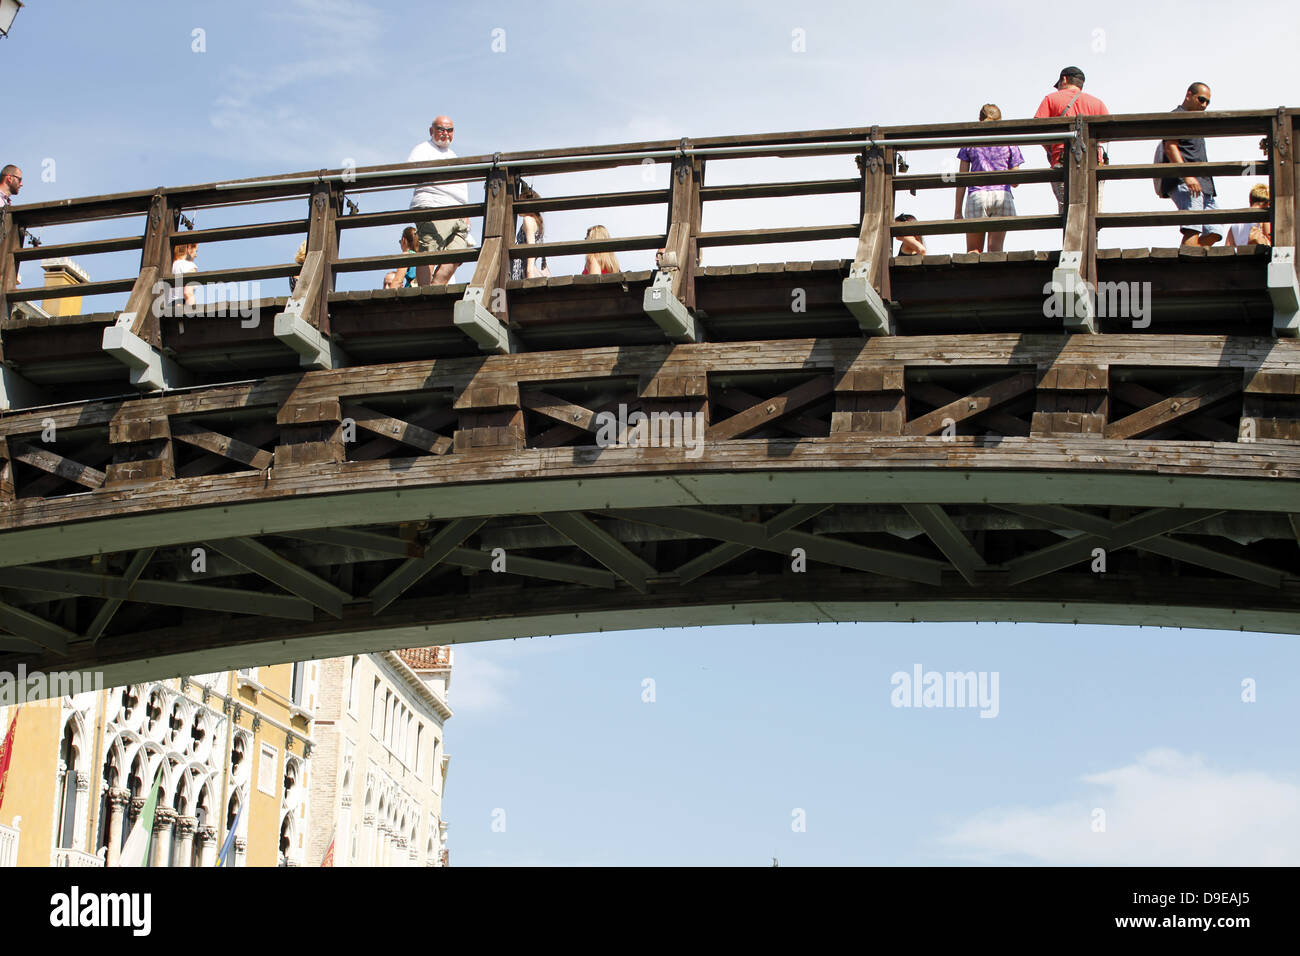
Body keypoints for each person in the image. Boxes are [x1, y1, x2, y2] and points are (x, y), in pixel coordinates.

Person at [407, 115, 475, 285]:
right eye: (441, 129)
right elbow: (409, 172)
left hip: (457, 211)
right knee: (429, 251)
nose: (445, 133)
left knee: (457, 252)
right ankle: (425, 292)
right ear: (431, 131)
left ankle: (435, 289)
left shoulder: (453, 155)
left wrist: (465, 212)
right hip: (433, 205)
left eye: (449, 130)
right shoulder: (422, 149)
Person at [1033, 67, 1109, 210]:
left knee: (1066, 211)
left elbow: (1037, 130)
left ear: (1064, 79)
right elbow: (1106, 137)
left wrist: (1049, 149)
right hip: (1093, 162)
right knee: (1094, 211)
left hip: (1061, 160)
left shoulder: (1051, 99)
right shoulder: (1096, 102)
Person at [1156, 83, 1221, 247]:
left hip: (1204, 183)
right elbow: (1170, 147)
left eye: (1208, 102)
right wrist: (1187, 176)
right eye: (1201, 99)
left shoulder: (1195, 120)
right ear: (1189, 95)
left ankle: (1193, 258)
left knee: (1215, 231)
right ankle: (1188, 264)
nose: (1204, 105)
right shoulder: (1177, 115)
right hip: (1186, 181)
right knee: (1193, 228)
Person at [954, 104, 1023, 252]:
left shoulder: (970, 142)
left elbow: (962, 180)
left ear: (979, 119)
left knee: (973, 251)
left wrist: (957, 210)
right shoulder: (1009, 142)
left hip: (977, 196)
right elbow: (1016, 181)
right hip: (1002, 196)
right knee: (995, 250)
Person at [511, 181, 550, 280]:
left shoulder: (528, 219)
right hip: (524, 266)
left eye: (520, 200)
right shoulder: (537, 222)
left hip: (522, 268)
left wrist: (529, 272)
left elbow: (531, 246)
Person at [170, 241, 198, 308]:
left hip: (168, 307)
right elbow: (188, 293)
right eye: (196, 251)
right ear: (189, 248)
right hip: (181, 306)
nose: (196, 255)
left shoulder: (171, 266)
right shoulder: (190, 266)